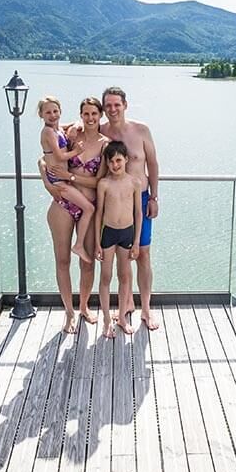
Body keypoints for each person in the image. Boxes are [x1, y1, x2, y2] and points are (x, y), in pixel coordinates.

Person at [39, 97, 107, 333]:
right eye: (85, 114)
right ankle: (68, 312)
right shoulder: (71, 134)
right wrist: (47, 181)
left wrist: (71, 178)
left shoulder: (105, 144)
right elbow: (45, 156)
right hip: (63, 203)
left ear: (100, 116)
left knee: (87, 263)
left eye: (94, 114)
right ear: (80, 115)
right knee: (63, 260)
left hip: (88, 203)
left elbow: (99, 181)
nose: (89, 119)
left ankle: (84, 307)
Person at [99, 86, 160, 330]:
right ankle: (126, 303)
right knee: (120, 258)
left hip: (141, 200)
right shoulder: (101, 132)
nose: (113, 109)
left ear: (125, 105)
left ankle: (146, 309)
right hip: (114, 203)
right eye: (108, 105)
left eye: (117, 104)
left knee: (143, 254)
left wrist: (154, 197)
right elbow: (78, 129)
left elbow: (153, 164)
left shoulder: (141, 130)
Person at [38, 96, 96, 263]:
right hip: (59, 181)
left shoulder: (57, 130)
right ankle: (78, 245)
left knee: (88, 208)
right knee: (89, 208)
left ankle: (78, 245)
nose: (52, 115)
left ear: (60, 111)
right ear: (41, 115)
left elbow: (75, 123)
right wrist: (76, 151)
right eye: (48, 112)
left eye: (55, 111)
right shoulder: (48, 132)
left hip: (62, 180)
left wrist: (76, 126)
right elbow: (59, 155)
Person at [95, 142, 142, 338]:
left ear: (126, 160)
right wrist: (97, 242)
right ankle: (107, 320)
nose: (115, 165)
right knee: (106, 277)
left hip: (127, 233)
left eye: (118, 160)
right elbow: (98, 214)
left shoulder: (134, 183)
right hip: (109, 234)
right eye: (111, 161)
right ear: (107, 162)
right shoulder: (104, 184)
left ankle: (122, 317)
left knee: (125, 276)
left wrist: (137, 241)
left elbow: (138, 213)